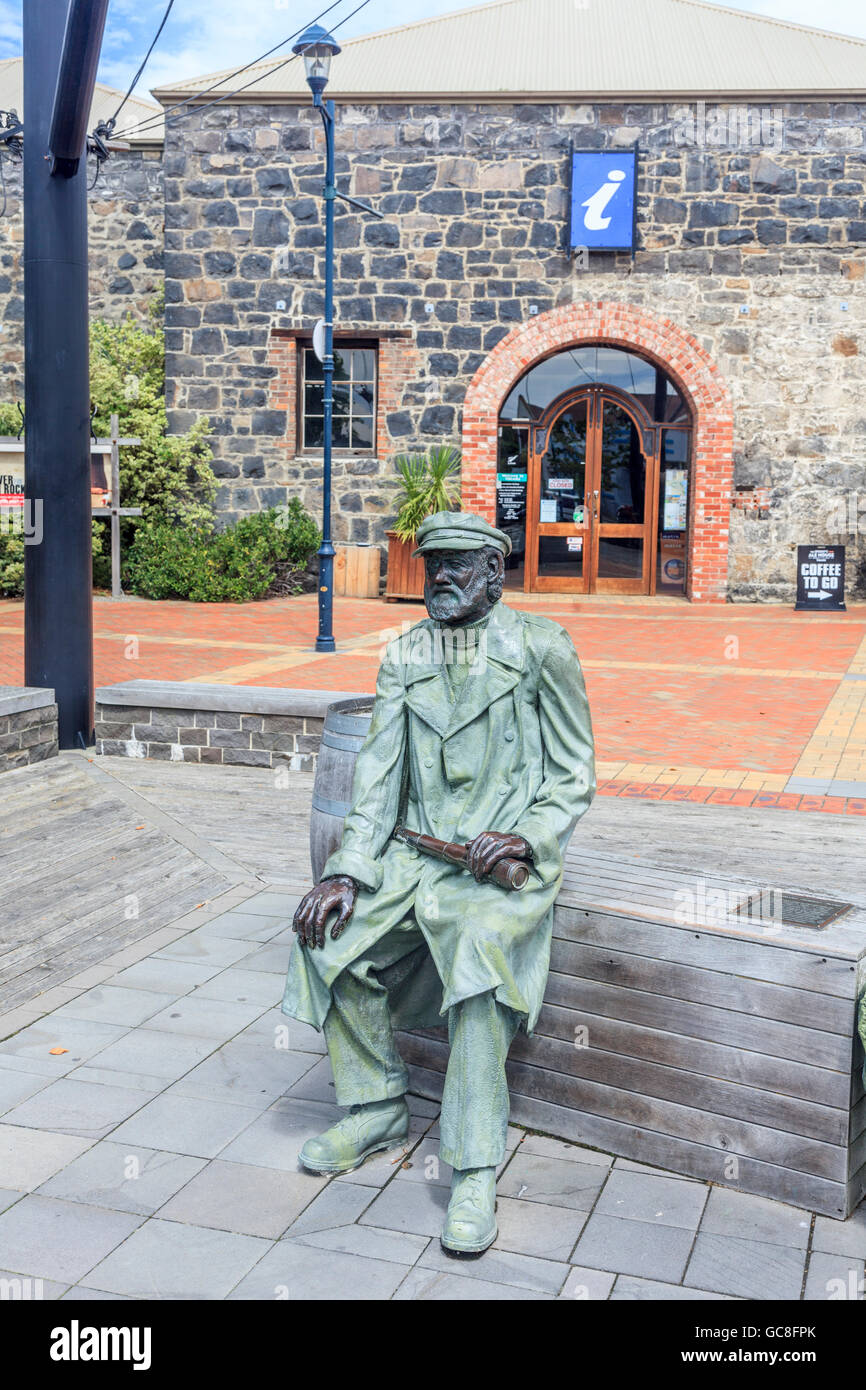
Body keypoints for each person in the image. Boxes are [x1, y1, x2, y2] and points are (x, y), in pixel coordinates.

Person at [283, 511, 596, 1254]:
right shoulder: (406, 654)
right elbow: (378, 776)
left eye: (460, 564)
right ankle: (375, 1106)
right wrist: (349, 869)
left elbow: (572, 775)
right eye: (433, 566)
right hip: (414, 854)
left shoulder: (542, 647)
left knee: (479, 962)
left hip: (497, 869)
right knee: (330, 936)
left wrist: (526, 835)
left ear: (496, 572)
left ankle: (475, 1163)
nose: (443, 578)